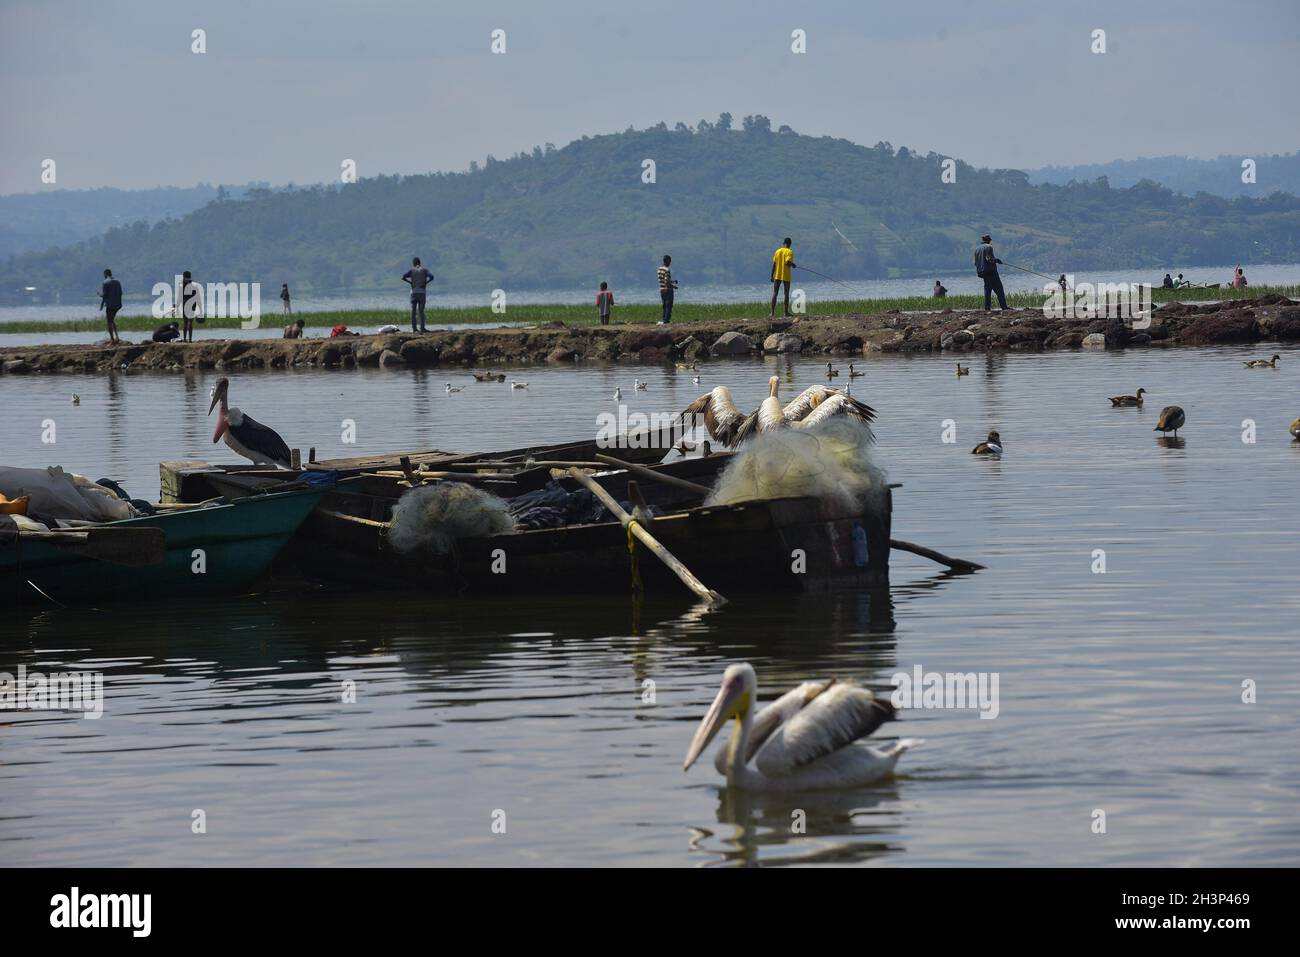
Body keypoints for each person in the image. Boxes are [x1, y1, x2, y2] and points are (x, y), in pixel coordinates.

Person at [972, 234, 1008, 311]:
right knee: (999, 289)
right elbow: (989, 259)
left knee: (987, 289)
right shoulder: (988, 247)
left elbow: (975, 263)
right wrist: (997, 260)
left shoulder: (976, 249)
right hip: (991, 272)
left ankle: (987, 307)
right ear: (989, 240)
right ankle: (1004, 307)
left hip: (982, 273)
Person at [402, 257, 433, 333]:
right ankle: (422, 328)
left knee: (413, 311)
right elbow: (432, 277)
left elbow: (403, 277)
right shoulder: (425, 270)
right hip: (422, 292)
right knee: (421, 311)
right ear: (420, 263)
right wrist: (426, 283)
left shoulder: (411, 270)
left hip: (414, 293)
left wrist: (410, 282)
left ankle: (414, 329)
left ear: (413, 263)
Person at [770, 238, 796, 316]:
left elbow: (774, 264)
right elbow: (787, 262)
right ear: (790, 244)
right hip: (786, 275)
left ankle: (772, 313)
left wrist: (772, 275)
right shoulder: (789, 251)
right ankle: (785, 312)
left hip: (777, 275)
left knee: (775, 293)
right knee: (786, 293)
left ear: (783, 243)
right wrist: (793, 265)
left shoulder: (777, 251)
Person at [99, 269, 123, 344]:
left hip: (110, 305)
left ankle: (112, 340)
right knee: (112, 320)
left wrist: (99, 295)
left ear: (105, 274)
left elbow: (104, 295)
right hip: (118, 305)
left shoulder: (105, 282)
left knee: (109, 321)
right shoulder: (118, 281)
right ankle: (117, 337)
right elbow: (121, 293)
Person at [179, 270, 202, 341]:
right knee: (190, 322)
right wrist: (200, 308)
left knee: (185, 322)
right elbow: (197, 297)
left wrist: (176, 305)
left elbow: (180, 297)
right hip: (192, 304)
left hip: (184, 304)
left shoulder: (181, 285)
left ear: (184, 276)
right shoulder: (194, 285)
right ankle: (190, 339)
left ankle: (185, 338)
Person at [657, 255, 678, 325]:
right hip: (668, 290)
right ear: (668, 261)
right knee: (669, 305)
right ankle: (666, 320)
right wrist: (674, 286)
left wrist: (673, 281)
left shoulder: (659, 269)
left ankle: (664, 319)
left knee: (664, 305)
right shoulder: (667, 270)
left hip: (661, 289)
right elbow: (667, 281)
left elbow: (663, 280)